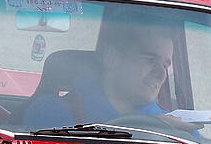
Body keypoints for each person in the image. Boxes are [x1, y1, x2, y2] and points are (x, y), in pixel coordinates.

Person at [21, 16, 181, 128]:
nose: (161, 74)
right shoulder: (51, 113)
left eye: (166, 65)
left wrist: (162, 128)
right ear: (112, 58)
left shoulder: (176, 128)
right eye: (150, 60)